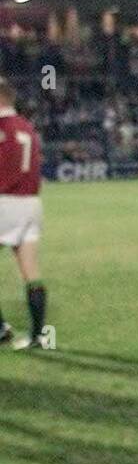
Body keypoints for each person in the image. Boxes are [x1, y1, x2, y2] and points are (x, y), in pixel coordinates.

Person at [0, 76, 48, 350]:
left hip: (3, 201)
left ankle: (1, 329)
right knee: (30, 270)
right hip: (30, 204)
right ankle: (38, 336)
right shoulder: (27, 127)